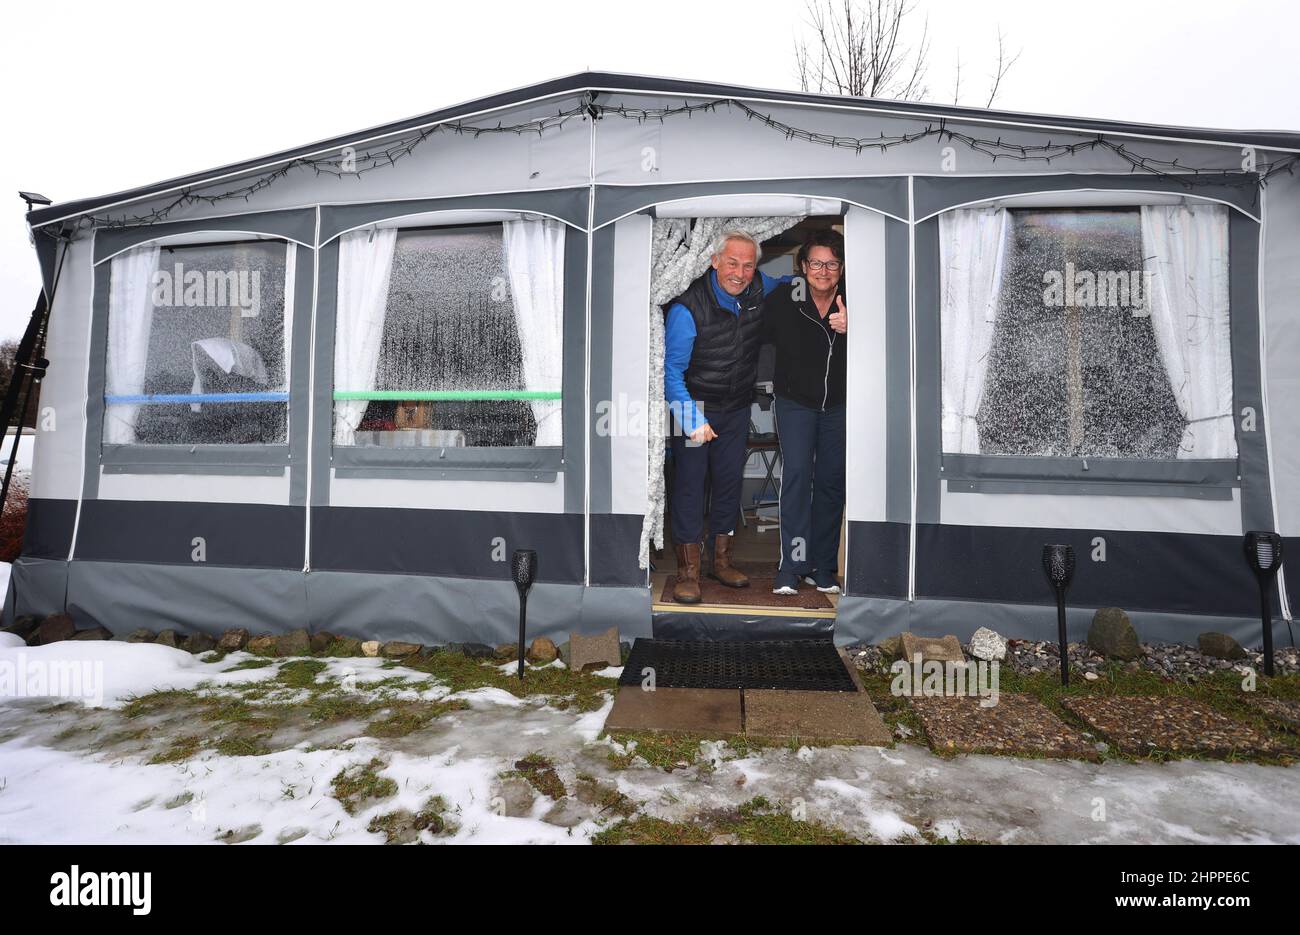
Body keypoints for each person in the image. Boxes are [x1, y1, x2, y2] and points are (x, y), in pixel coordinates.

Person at [664, 229, 789, 604]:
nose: (740, 273)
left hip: (736, 405)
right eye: (732, 263)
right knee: (689, 485)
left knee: (729, 482)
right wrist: (691, 421)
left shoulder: (757, 288)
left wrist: (822, 281)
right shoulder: (688, 307)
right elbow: (671, 373)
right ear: (714, 260)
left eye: (748, 265)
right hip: (694, 405)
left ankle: (721, 561)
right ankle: (688, 571)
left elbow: (788, 282)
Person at [762, 229, 848, 595]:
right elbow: (754, 334)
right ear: (803, 265)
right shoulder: (785, 298)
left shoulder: (855, 301)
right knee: (797, 476)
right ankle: (791, 566)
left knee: (830, 482)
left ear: (841, 269)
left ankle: (823, 567)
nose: (823, 271)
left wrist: (854, 330)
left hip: (840, 406)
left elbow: (888, 342)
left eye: (831, 264)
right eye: (816, 262)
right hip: (794, 403)